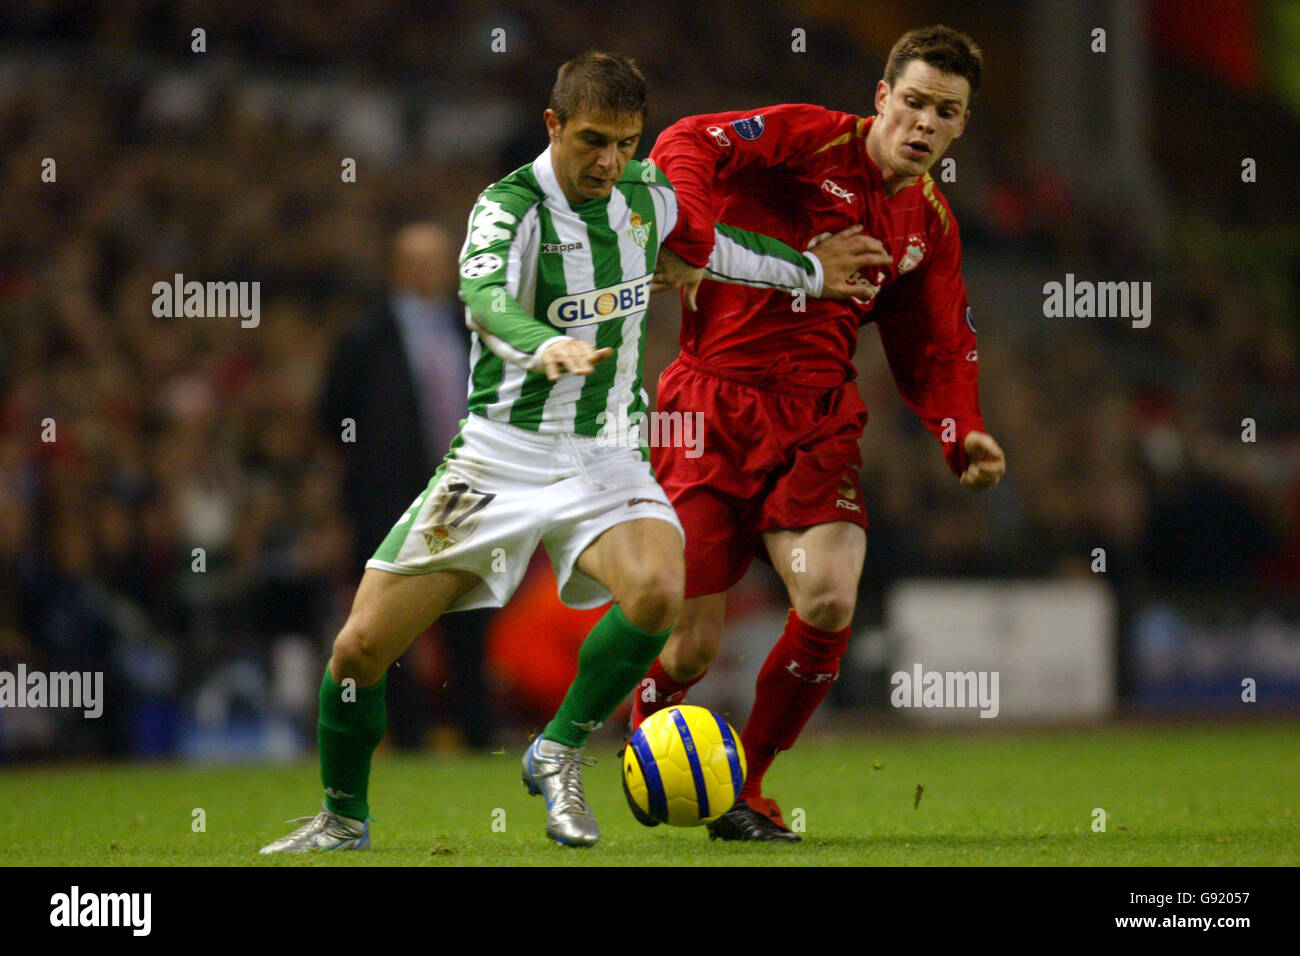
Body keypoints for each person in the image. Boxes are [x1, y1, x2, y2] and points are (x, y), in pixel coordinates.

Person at [260, 50, 878, 853]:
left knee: (660, 590)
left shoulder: (648, 194)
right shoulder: (508, 207)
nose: (610, 160)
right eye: (593, 140)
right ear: (553, 125)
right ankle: (343, 816)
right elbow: (481, 301)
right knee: (359, 648)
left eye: (626, 142)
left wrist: (807, 271)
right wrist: (539, 341)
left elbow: (711, 247)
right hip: (496, 458)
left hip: (606, 453)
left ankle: (557, 748)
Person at [631, 25, 1007, 841]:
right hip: (709, 409)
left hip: (816, 421)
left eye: (946, 111)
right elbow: (685, 139)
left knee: (831, 597)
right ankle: (638, 744)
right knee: (691, 645)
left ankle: (748, 788)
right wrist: (691, 235)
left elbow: (938, 345)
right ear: (882, 98)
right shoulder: (806, 139)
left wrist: (962, 430)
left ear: (961, 126)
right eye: (913, 101)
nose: (925, 123)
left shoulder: (929, 225)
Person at [321, 223, 496, 752]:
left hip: (464, 491)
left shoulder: (473, 326)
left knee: (468, 608)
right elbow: (333, 413)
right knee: (391, 616)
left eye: (438, 259)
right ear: (397, 268)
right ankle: (406, 733)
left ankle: (476, 729)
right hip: (389, 497)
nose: (429, 270)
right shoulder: (365, 335)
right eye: (417, 261)